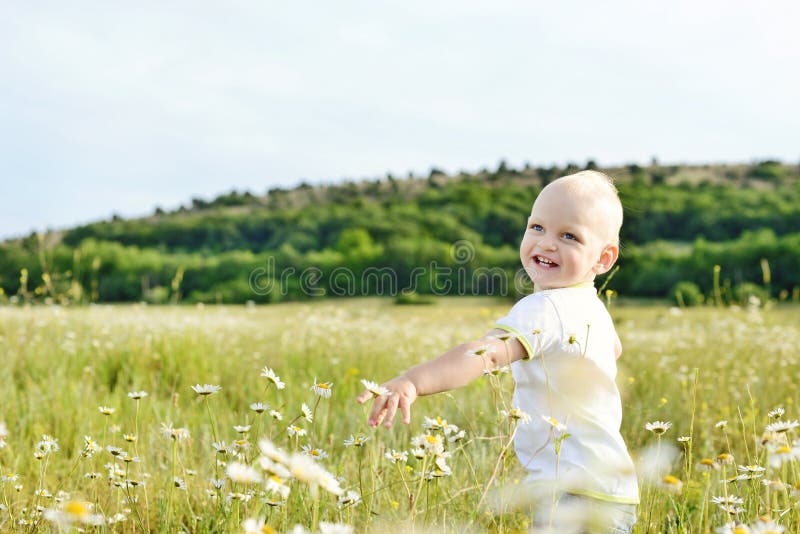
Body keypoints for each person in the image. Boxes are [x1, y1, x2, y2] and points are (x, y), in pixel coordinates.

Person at [356, 170, 639, 533]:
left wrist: (414, 381)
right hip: (612, 486)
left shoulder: (546, 309)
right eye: (537, 227)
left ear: (603, 259)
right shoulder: (592, 308)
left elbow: (484, 355)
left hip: (572, 489)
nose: (547, 243)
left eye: (569, 236)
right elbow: (613, 349)